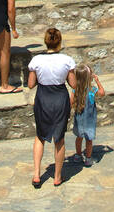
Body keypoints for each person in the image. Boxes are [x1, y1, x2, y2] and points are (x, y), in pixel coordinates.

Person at [27, 27, 77, 188]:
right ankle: (57, 176)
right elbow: (73, 83)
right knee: (59, 138)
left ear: (45, 41)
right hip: (60, 98)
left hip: (43, 98)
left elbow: (30, 84)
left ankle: (36, 174)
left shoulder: (36, 61)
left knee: (40, 136)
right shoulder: (67, 60)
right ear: (59, 42)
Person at [71, 63, 105, 167]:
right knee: (89, 140)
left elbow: (71, 101)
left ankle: (77, 155)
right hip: (89, 121)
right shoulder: (92, 90)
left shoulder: (75, 89)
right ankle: (88, 158)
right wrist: (98, 81)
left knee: (79, 137)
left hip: (79, 120)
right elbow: (102, 93)